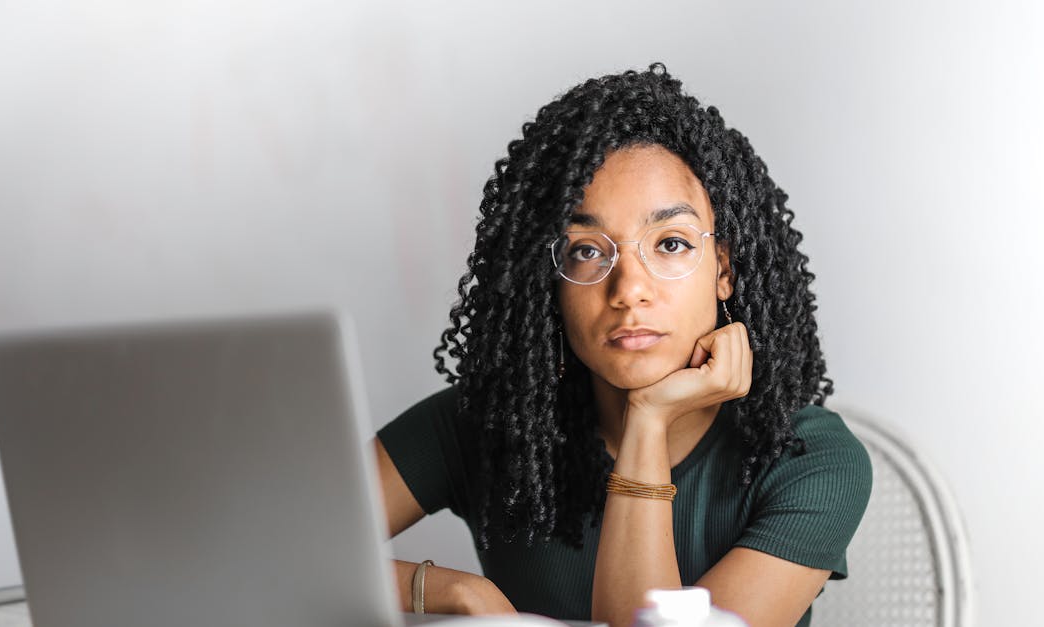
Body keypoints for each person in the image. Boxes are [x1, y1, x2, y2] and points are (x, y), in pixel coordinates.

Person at [373, 63, 872, 627]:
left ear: (723, 271)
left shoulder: (809, 459)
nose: (629, 289)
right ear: (551, 282)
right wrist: (454, 591)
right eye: (586, 250)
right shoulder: (493, 422)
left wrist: (649, 419)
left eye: (672, 243)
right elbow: (269, 543)